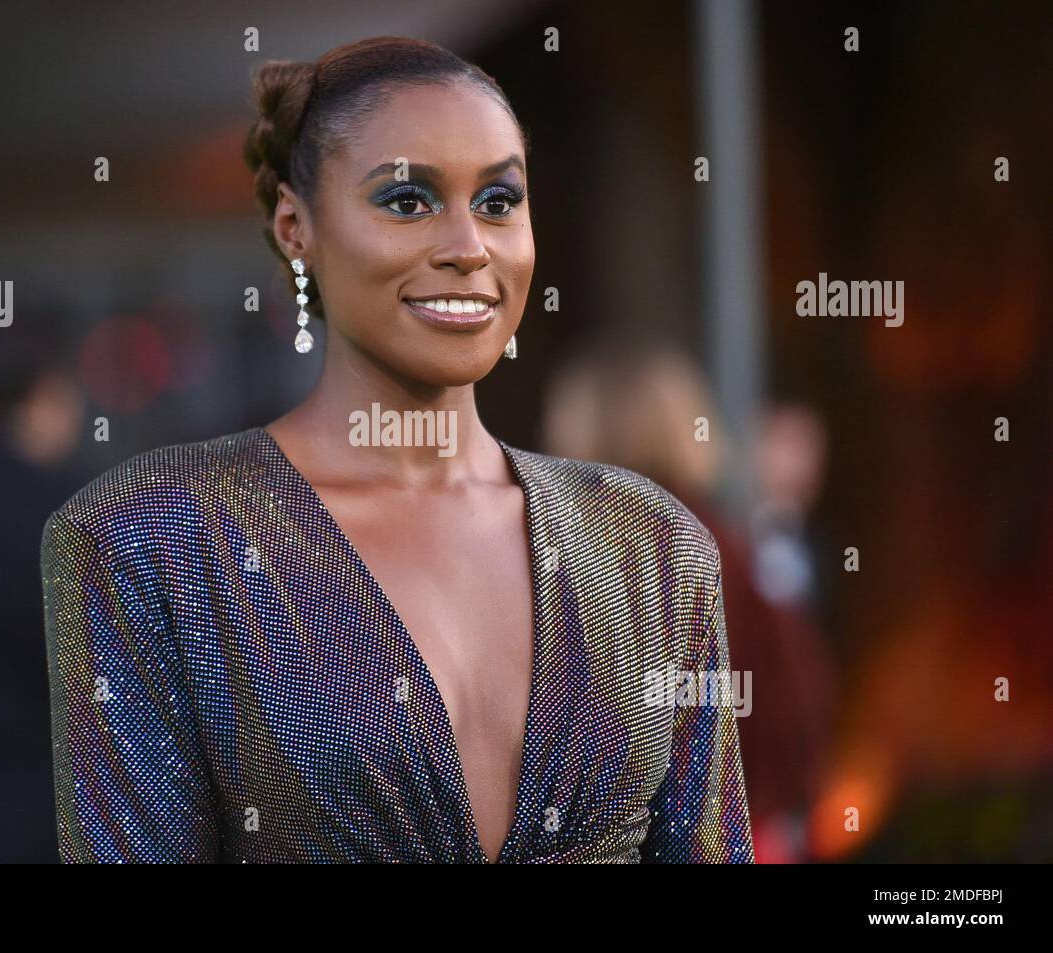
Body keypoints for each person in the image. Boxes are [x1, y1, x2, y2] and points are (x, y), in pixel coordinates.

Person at [40, 36, 753, 863]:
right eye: (408, 200)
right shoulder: (149, 538)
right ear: (296, 227)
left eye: (498, 200)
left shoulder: (650, 544)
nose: (469, 246)